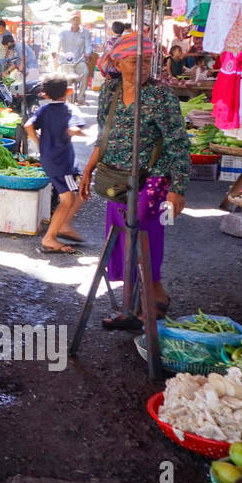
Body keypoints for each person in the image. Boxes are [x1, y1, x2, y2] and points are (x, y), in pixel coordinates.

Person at [80, 33, 191, 330]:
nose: (142, 66)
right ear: (118, 61)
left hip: (152, 180)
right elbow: (102, 135)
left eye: (146, 60)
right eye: (134, 60)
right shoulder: (110, 90)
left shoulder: (160, 95)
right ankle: (139, 302)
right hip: (116, 178)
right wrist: (88, 169)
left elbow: (178, 143)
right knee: (120, 239)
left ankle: (148, 299)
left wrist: (178, 190)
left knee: (143, 236)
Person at [25, 75, 87, 253]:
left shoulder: (44, 110)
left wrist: (38, 142)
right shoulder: (70, 109)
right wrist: (80, 135)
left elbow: (28, 125)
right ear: (68, 91)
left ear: (45, 95)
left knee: (78, 191)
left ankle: (63, 226)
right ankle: (50, 237)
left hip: (49, 159)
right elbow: (73, 128)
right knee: (68, 199)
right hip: (62, 161)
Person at [55, 13, 92, 99]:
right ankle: (65, 98)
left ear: (80, 21)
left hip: (79, 60)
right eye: (74, 19)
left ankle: (81, 98)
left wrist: (88, 53)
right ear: (70, 20)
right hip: (65, 60)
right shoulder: (63, 31)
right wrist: (55, 50)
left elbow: (89, 45)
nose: (75, 21)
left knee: (85, 72)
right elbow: (57, 42)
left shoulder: (85, 32)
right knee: (65, 79)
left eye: (77, 19)